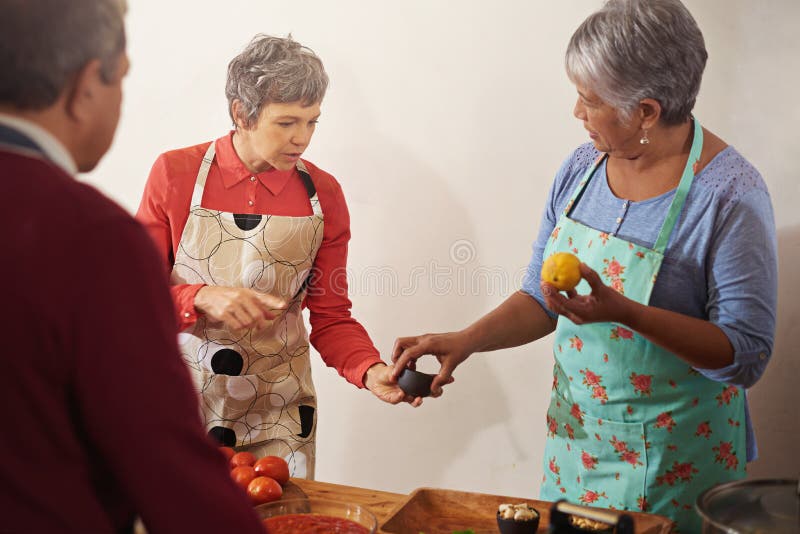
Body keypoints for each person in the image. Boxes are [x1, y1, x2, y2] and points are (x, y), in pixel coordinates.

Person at [392, 0, 777, 531]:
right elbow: (539, 298)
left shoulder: (729, 196)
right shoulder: (581, 169)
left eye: (589, 100)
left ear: (645, 111)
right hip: (578, 451)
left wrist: (625, 312)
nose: (577, 113)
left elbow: (746, 356)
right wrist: (465, 340)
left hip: (677, 464)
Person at [0, 1, 267, 532]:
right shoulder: (92, 237)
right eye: (121, 78)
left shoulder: (321, 190)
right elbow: (166, 468)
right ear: (85, 86)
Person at [136, 34, 418, 480]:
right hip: (179, 402)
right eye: (286, 122)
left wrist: (371, 370)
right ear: (241, 113)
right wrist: (201, 296)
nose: (302, 138)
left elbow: (331, 316)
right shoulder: (176, 175)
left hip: (278, 413)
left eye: (312, 122)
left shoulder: (323, 195)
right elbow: (134, 301)